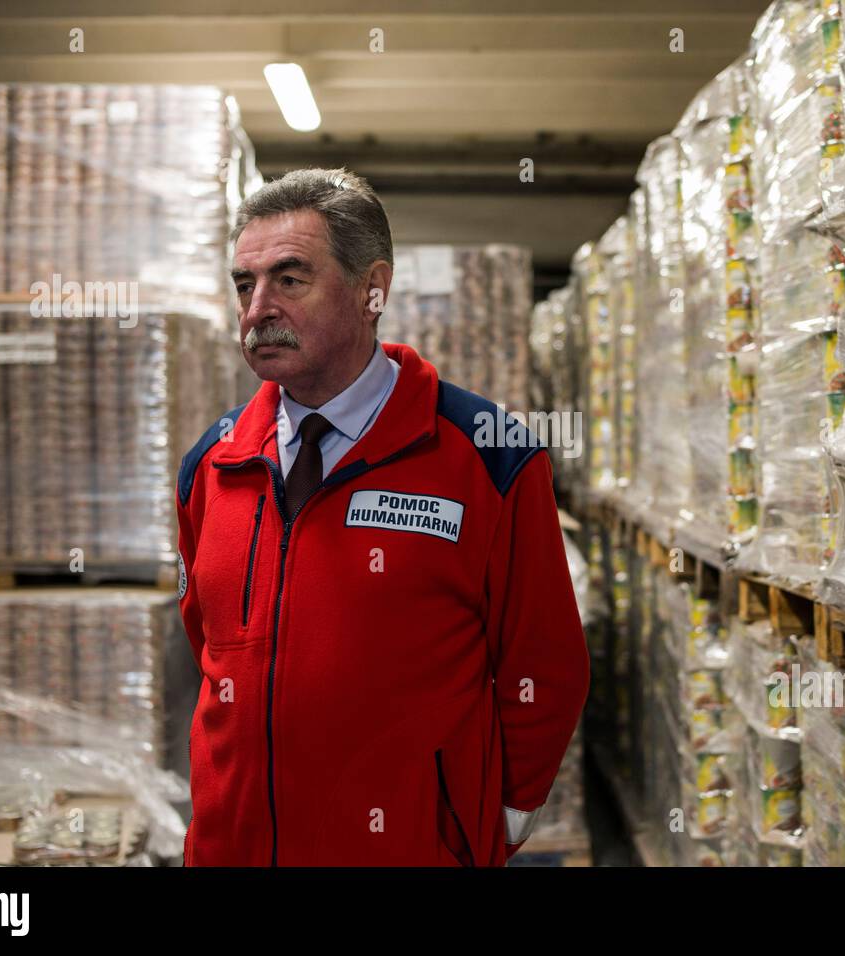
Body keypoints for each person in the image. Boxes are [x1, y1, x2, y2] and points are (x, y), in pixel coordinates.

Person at [175, 167, 589, 866]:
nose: (256, 311)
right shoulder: (212, 466)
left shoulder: (487, 454)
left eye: (290, 279)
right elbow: (210, 646)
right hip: (233, 847)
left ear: (374, 290)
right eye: (246, 285)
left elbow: (544, 664)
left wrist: (493, 826)